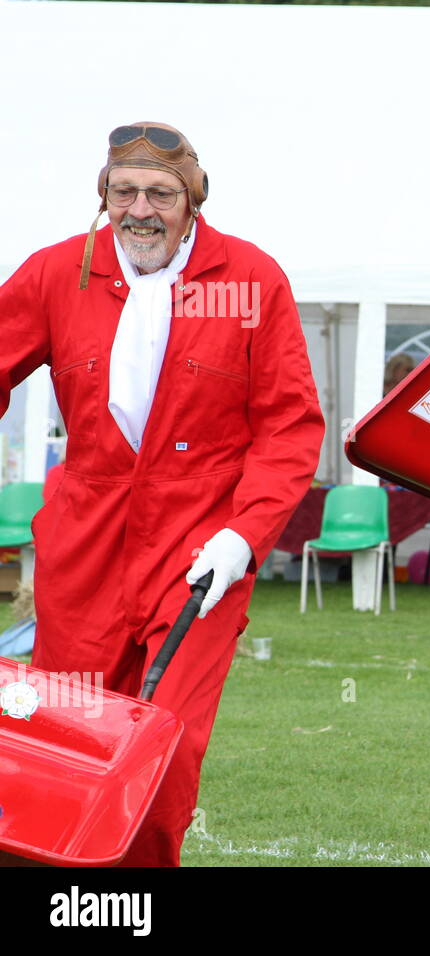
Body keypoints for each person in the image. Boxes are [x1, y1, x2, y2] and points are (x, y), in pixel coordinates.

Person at [0, 123, 324, 865]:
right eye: (124, 192)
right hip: (86, 542)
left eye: (160, 193)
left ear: (194, 201)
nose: (140, 210)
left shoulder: (250, 279)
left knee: (162, 746)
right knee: (64, 740)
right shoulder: (59, 273)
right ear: (103, 196)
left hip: (200, 544)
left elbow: (289, 426)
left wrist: (243, 537)